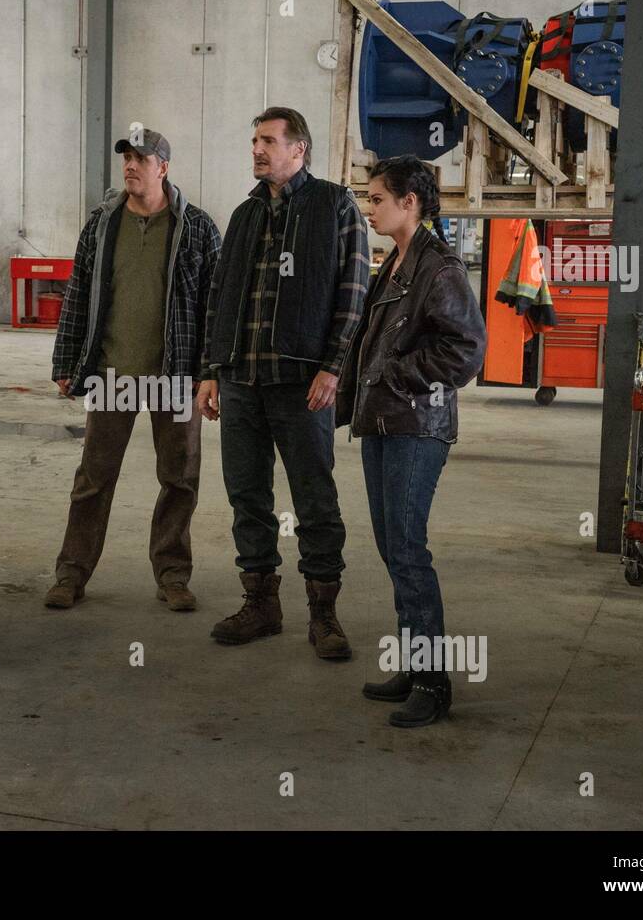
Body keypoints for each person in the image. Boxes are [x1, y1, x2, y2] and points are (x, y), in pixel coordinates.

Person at [196, 107, 370, 660]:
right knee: (247, 495)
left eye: (268, 140)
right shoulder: (245, 215)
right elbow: (220, 296)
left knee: (314, 497)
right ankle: (262, 605)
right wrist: (209, 369)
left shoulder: (333, 205)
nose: (257, 149)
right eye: (253, 140)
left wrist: (334, 366)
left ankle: (323, 614)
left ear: (299, 150)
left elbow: (354, 291)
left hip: (301, 382)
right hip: (241, 378)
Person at [334, 155, 486, 726]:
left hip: (417, 426)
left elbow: (465, 349)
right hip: (384, 421)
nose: (370, 208)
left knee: (406, 547)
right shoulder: (398, 262)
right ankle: (413, 660)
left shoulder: (438, 268)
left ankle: (432, 681)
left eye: (376, 199)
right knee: (392, 545)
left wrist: (394, 378)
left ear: (410, 203)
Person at [47, 128, 222, 611]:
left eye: (142, 159)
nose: (130, 166)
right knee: (93, 478)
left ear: (163, 167)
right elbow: (78, 295)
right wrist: (66, 362)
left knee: (179, 479)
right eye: (126, 158)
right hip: (112, 374)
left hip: (176, 375)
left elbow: (215, 307)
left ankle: (172, 576)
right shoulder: (101, 225)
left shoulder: (198, 229)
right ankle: (71, 574)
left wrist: (210, 373)